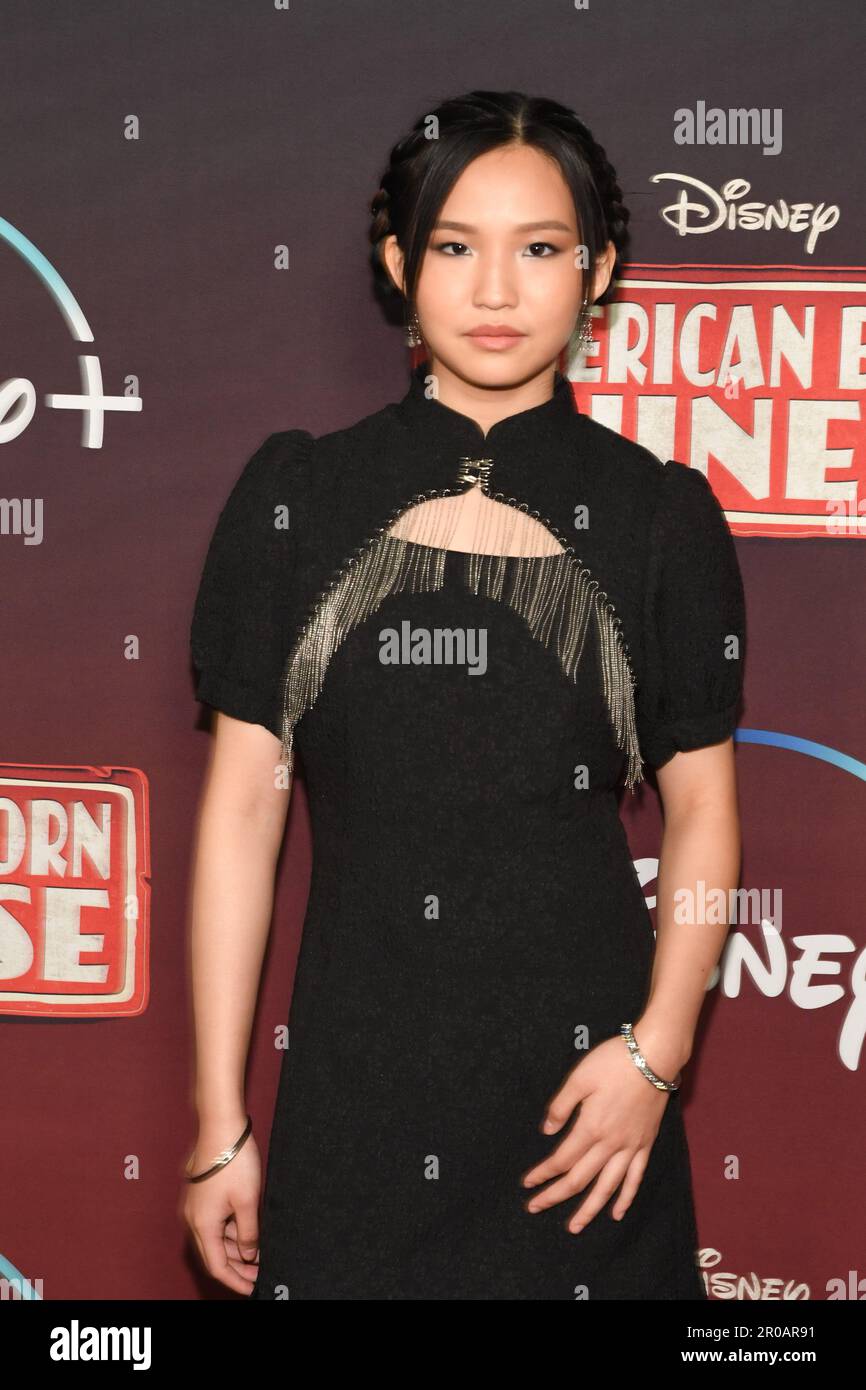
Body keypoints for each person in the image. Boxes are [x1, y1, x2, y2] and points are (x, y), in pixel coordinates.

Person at [183, 89, 746, 1301]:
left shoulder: (657, 517)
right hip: (354, 1107)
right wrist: (219, 1118)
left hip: (585, 1113)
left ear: (595, 271)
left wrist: (658, 1053)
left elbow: (702, 813)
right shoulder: (299, 500)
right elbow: (240, 816)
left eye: (539, 249)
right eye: (455, 248)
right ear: (399, 262)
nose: (496, 292)